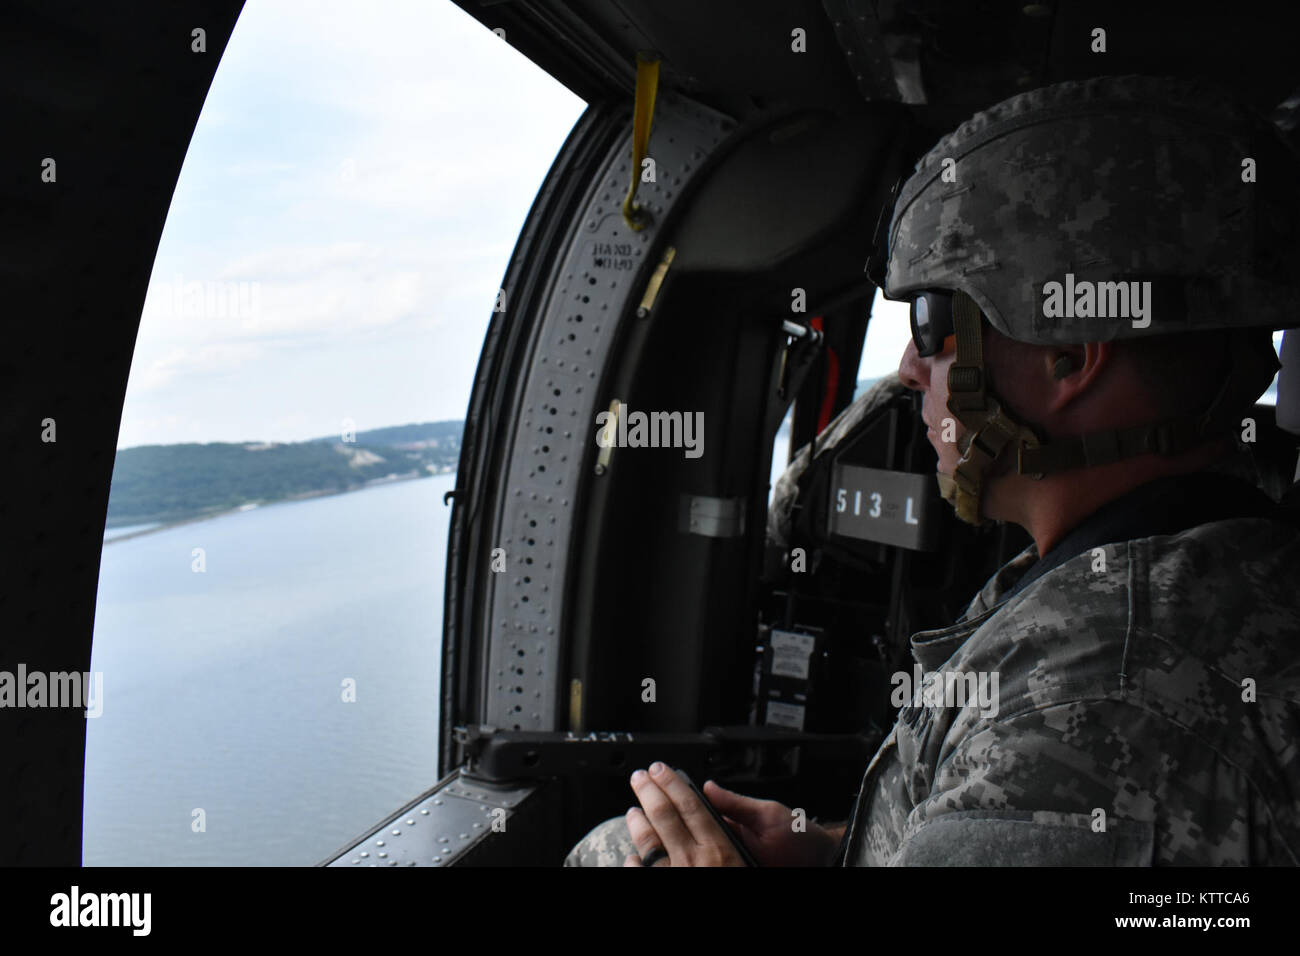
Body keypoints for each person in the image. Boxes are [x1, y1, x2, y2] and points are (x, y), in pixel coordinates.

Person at [566, 74, 1300, 867]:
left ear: (1068, 357)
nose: (913, 370)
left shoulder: (1097, 711)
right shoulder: (1181, 564)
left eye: (934, 323)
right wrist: (823, 851)